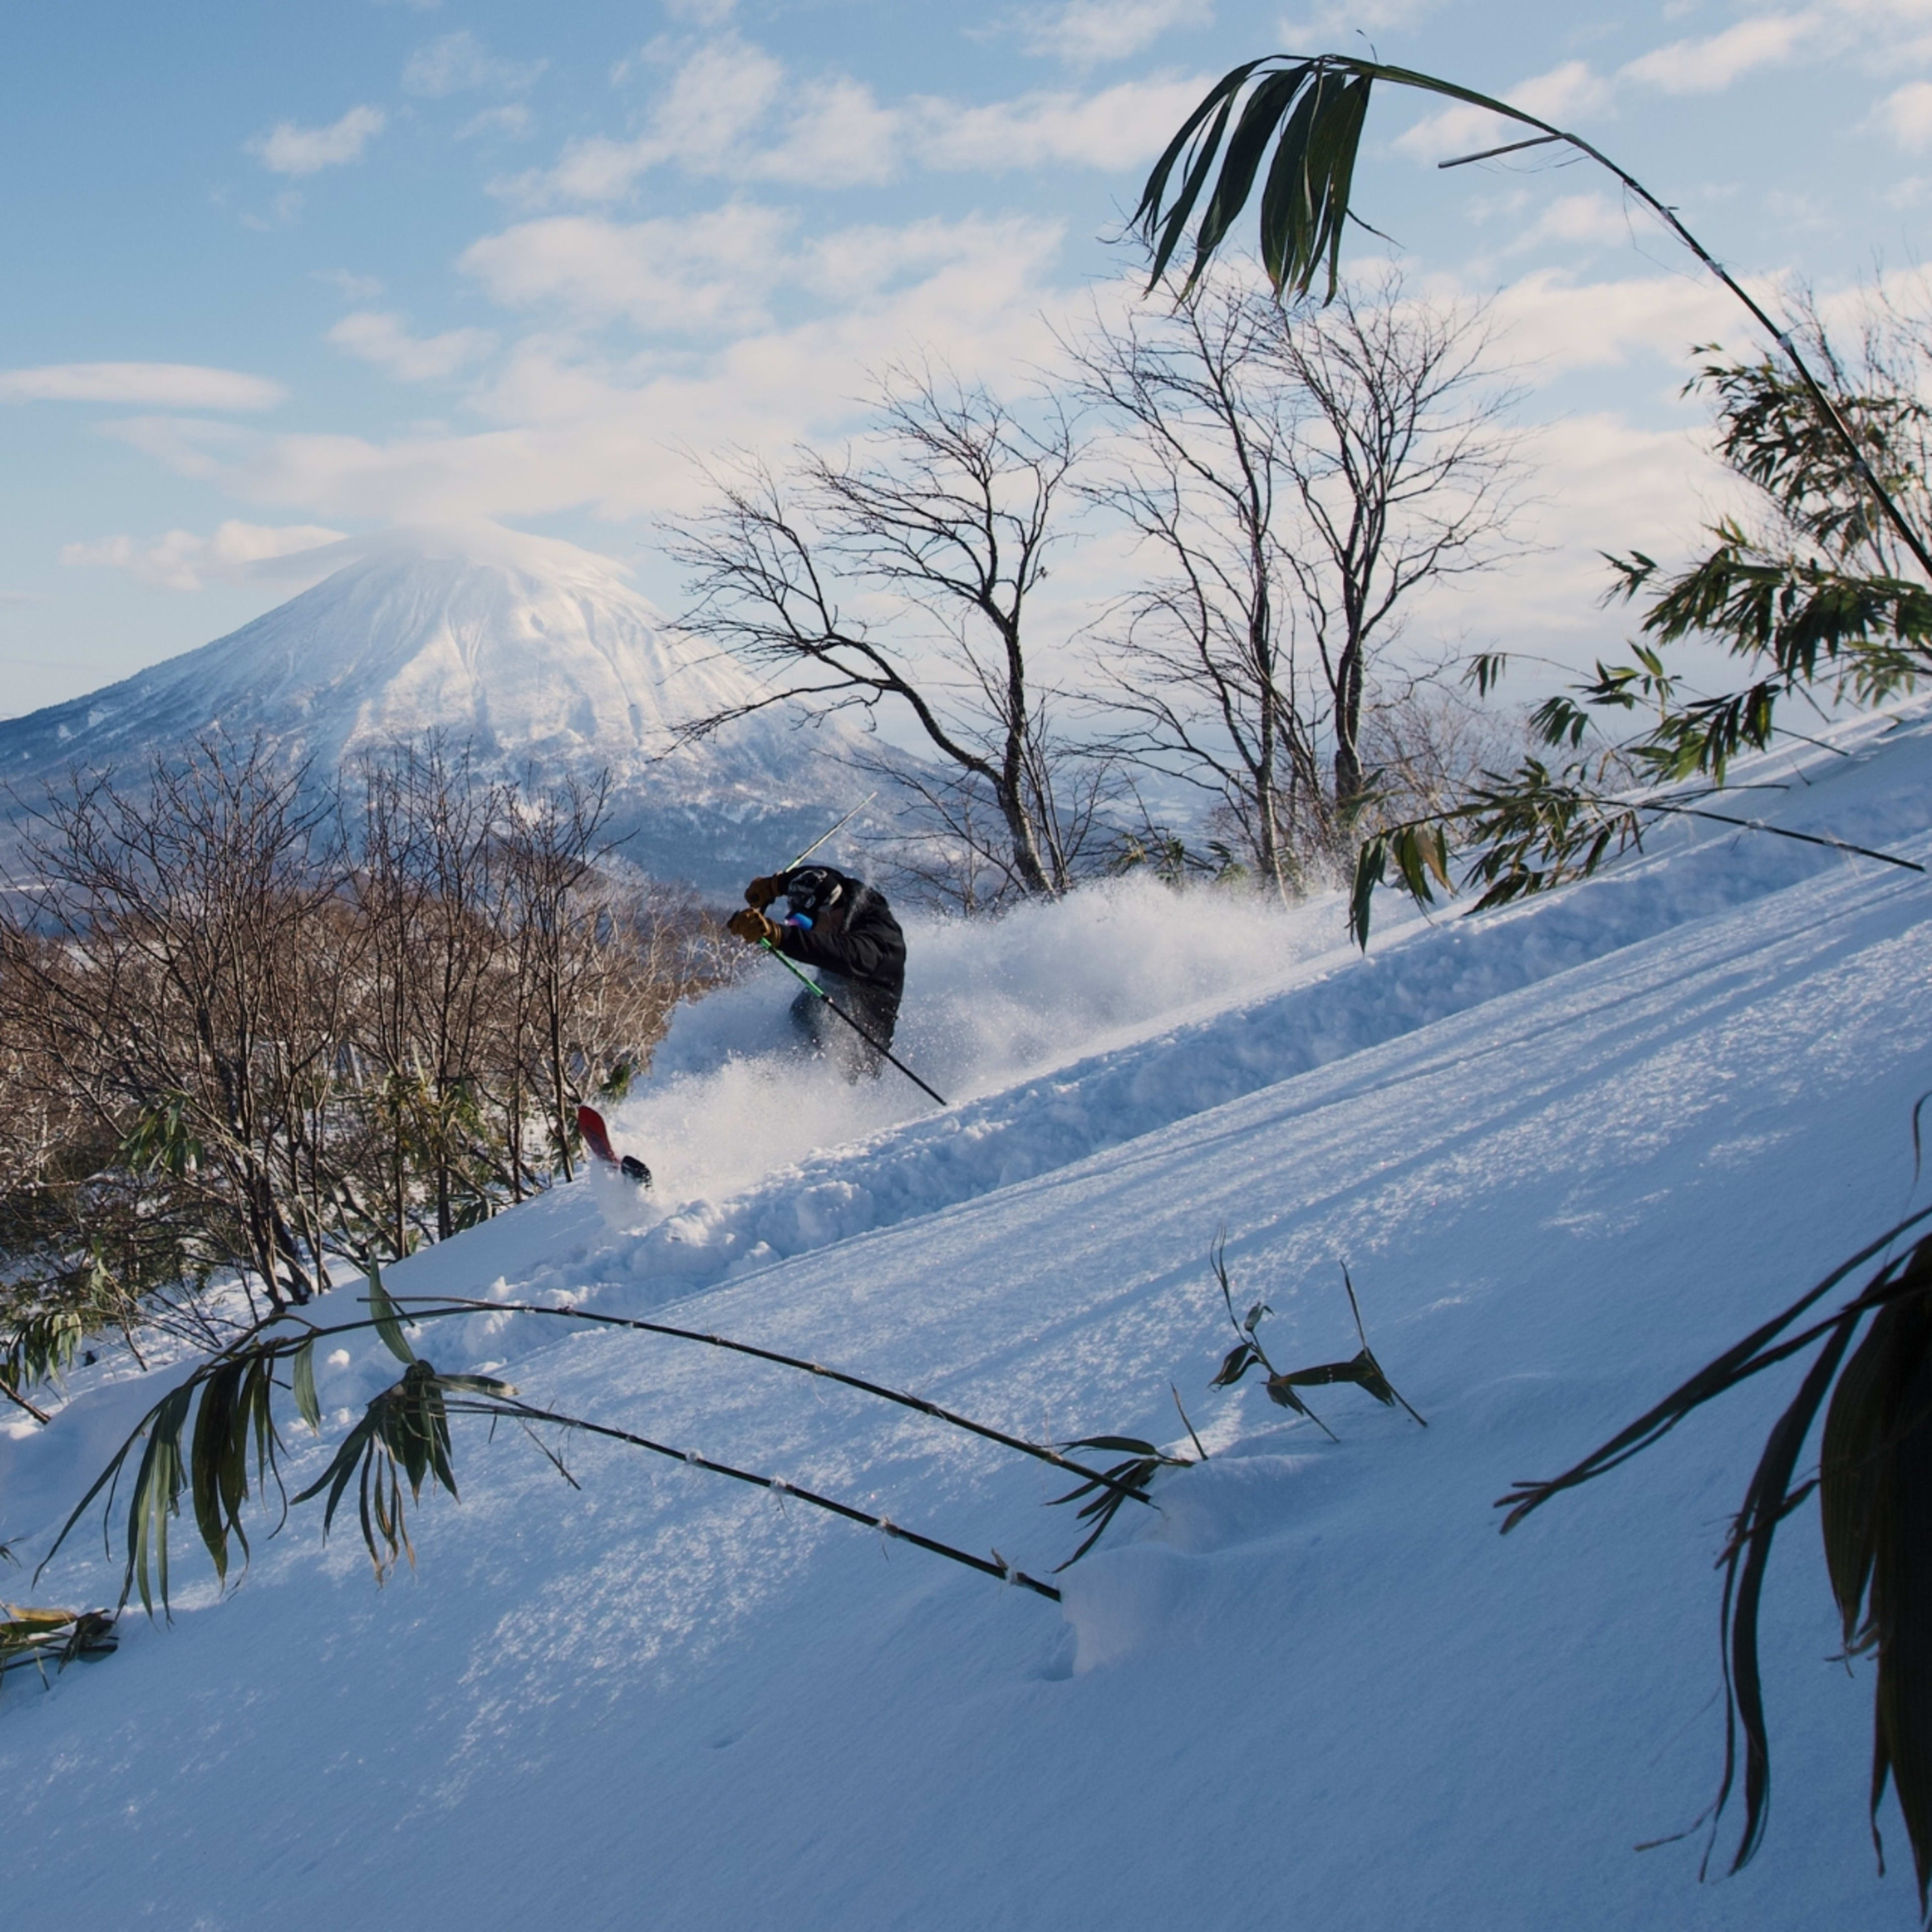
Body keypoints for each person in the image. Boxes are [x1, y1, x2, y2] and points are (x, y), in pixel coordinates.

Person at [725, 864, 907, 1079]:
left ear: (831, 913)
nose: (803, 929)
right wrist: (776, 885)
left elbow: (838, 952)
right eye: (793, 922)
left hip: (859, 1047)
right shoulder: (849, 896)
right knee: (798, 1015)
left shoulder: (879, 945)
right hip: (827, 999)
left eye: (802, 922)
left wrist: (780, 935)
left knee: (833, 1060)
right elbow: (828, 877)